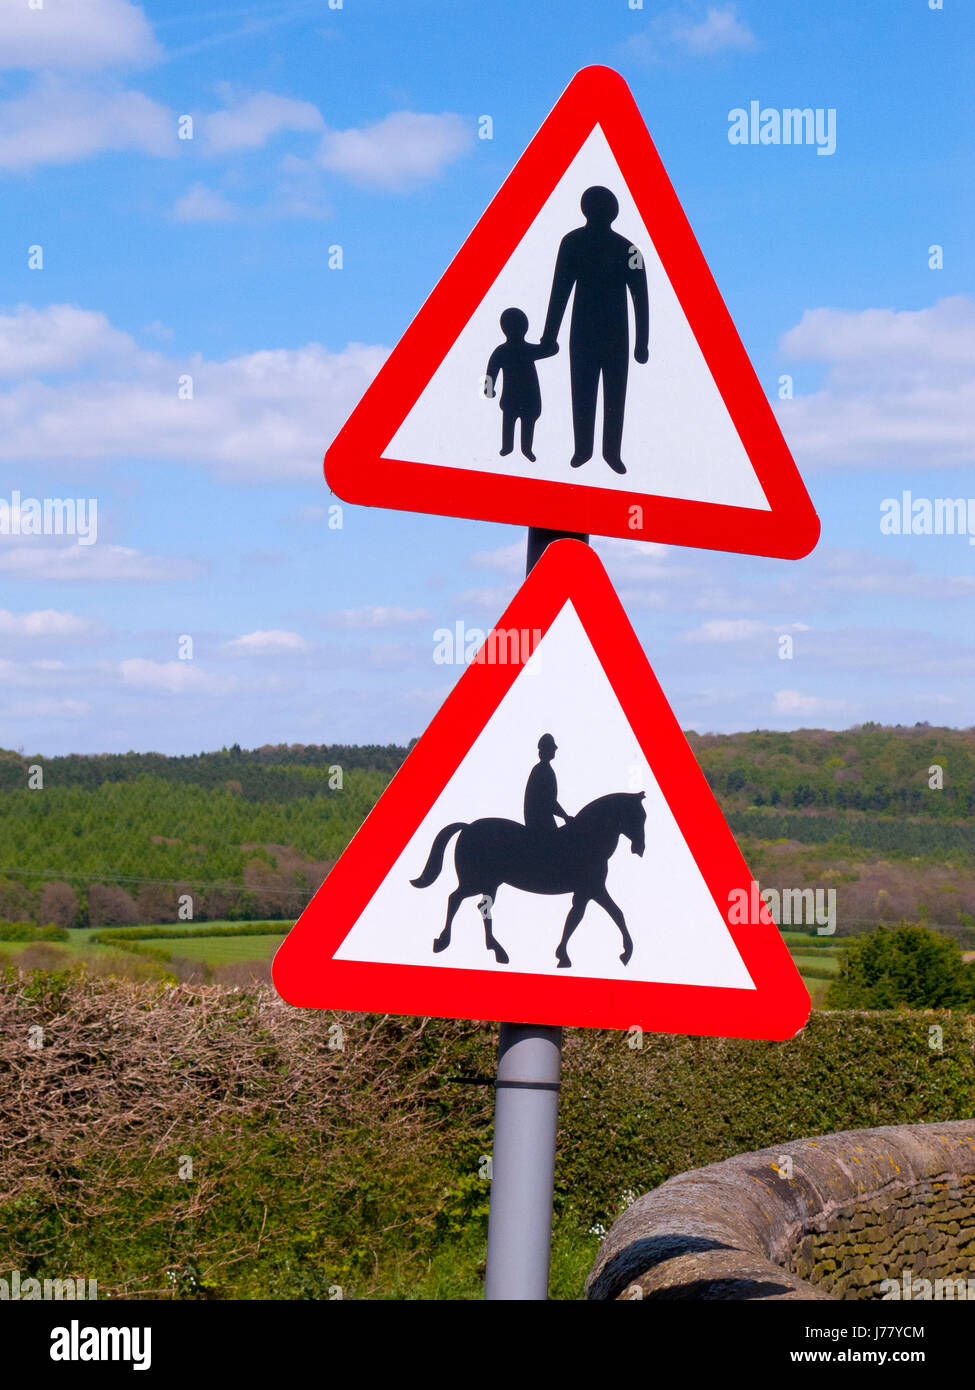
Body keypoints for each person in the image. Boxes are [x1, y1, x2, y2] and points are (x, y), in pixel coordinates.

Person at [539, 185, 649, 474]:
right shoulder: (572, 243)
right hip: (583, 332)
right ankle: (582, 450)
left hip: (616, 334)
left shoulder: (629, 249)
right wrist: (550, 336)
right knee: (583, 389)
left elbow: (640, 297)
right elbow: (559, 291)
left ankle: (612, 452)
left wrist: (642, 343)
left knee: (615, 392)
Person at [484, 308, 557, 462]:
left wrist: (551, 344)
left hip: (522, 397)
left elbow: (547, 350)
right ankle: (509, 447)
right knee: (512, 421)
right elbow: (492, 370)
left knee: (522, 421)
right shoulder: (506, 351)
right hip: (519, 396)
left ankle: (525, 449)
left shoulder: (511, 350)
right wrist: (488, 389)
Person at [524, 733, 573, 842]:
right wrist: (565, 817)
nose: (554, 750)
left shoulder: (542, 769)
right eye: (552, 748)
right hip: (540, 822)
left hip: (540, 818)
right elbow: (549, 802)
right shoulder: (543, 771)